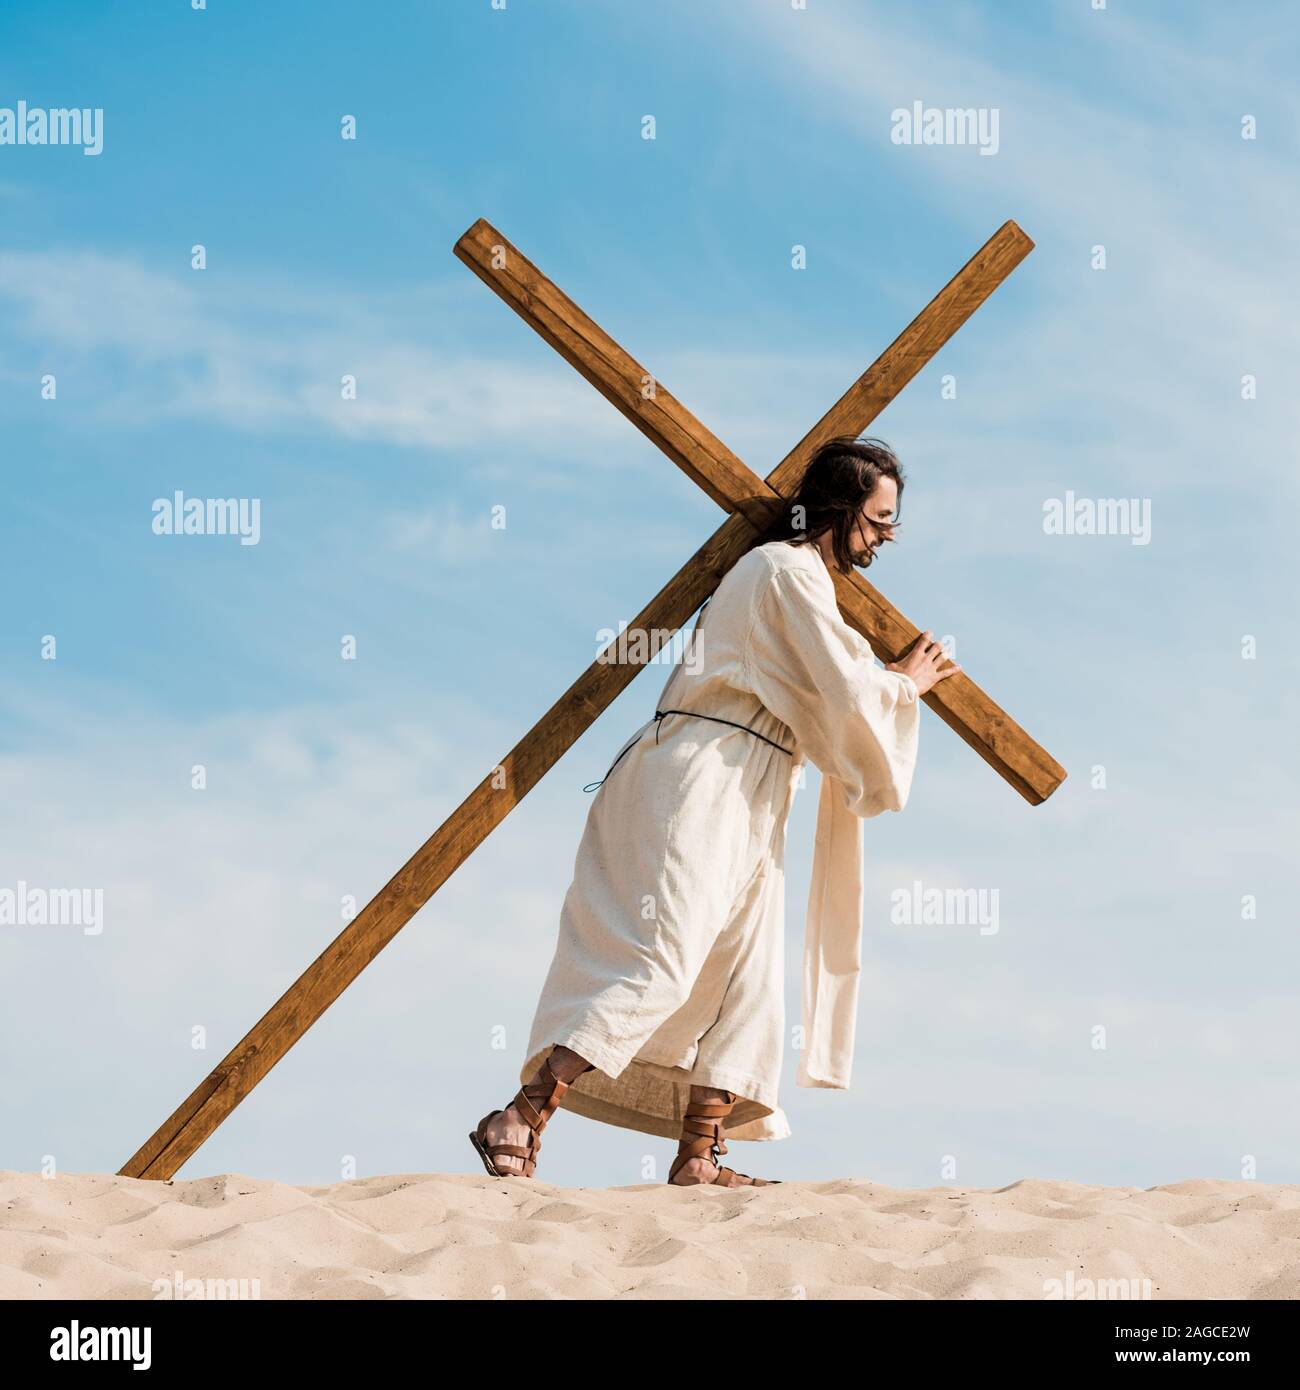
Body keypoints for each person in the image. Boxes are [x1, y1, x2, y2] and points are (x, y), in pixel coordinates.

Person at [470, 435, 959, 1186]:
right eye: (881, 520)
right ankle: (521, 1113)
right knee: (664, 957)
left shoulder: (808, 589)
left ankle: (700, 1156)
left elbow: (830, 682)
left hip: (755, 790)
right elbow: (844, 691)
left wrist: (883, 680)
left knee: (748, 979)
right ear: (839, 509)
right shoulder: (780, 573)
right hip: (698, 781)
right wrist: (902, 686)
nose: (888, 537)